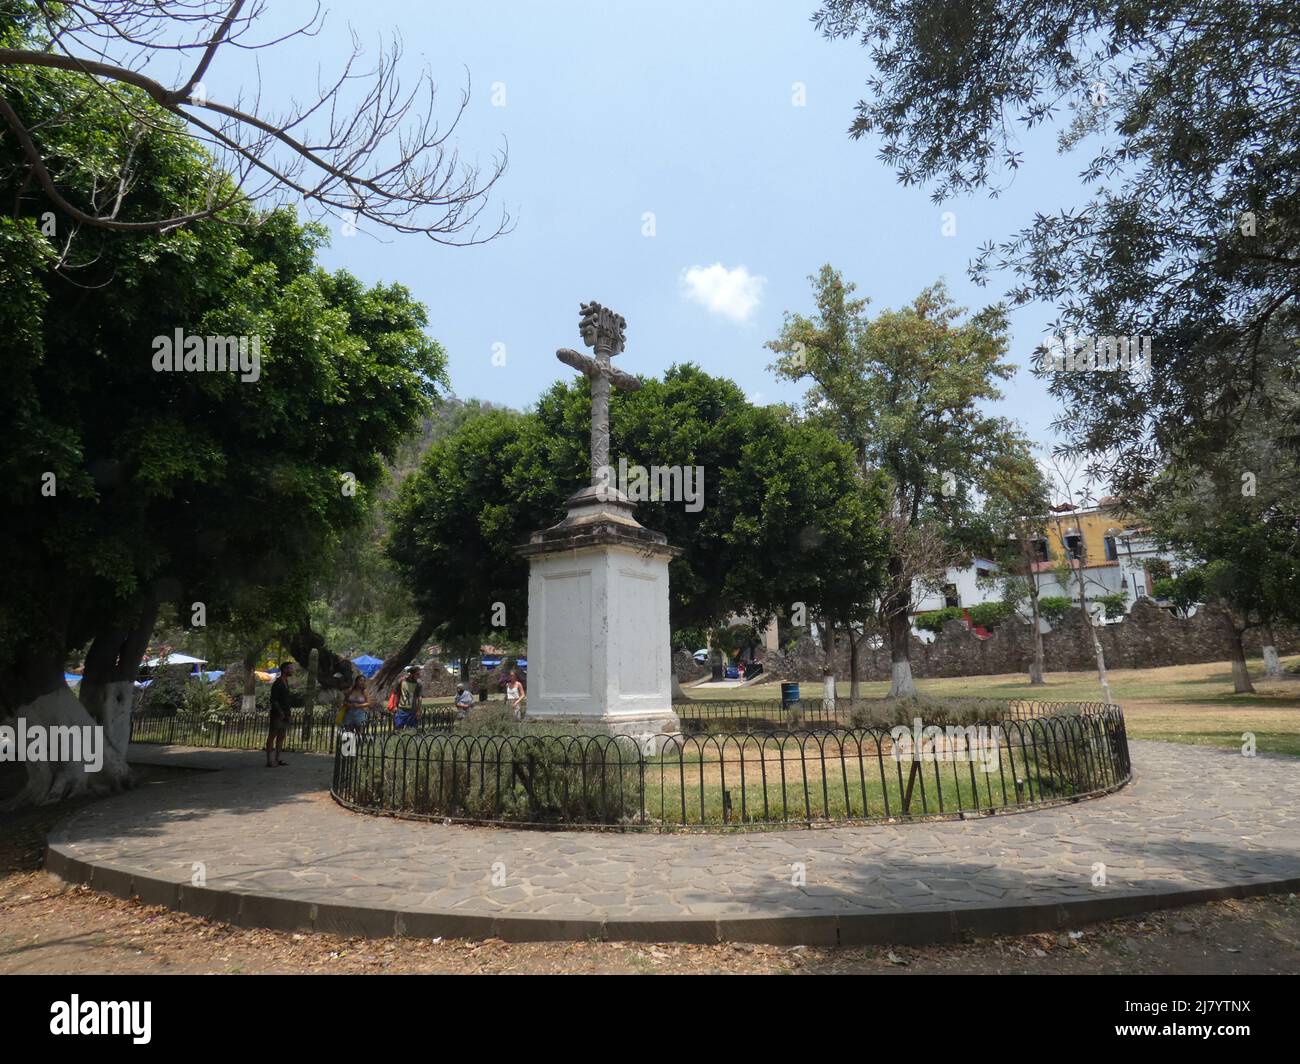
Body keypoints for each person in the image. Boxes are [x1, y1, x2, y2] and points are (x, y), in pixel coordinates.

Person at [265, 661, 295, 767]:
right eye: (290, 668)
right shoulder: (278, 683)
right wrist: (280, 712)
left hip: (286, 713)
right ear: (285, 669)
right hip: (277, 714)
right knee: (272, 736)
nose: (292, 670)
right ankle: (269, 760)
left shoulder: (286, 682)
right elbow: (274, 700)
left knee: (281, 736)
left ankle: (277, 759)